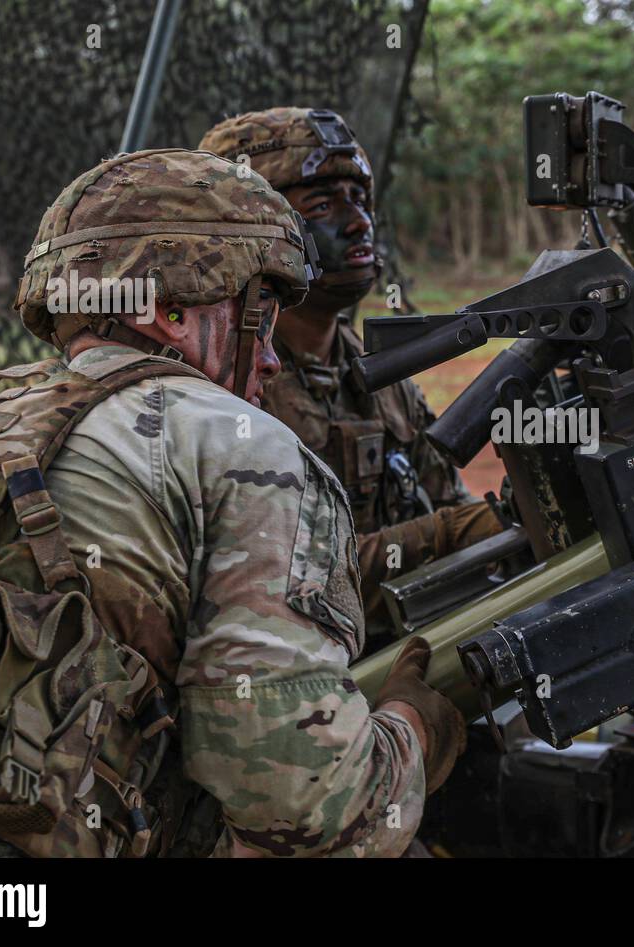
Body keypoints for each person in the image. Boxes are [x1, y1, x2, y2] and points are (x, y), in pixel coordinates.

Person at [0, 148, 463, 857]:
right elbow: (317, 814)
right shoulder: (239, 444)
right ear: (168, 312)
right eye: (262, 307)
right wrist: (417, 723)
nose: (272, 358)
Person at [198, 109, 503, 646]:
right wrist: (463, 531)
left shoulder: (376, 374)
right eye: (321, 205)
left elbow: (445, 496)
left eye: (360, 201)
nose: (359, 223)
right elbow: (283, 577)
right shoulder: (225, 389)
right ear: (253, 232)